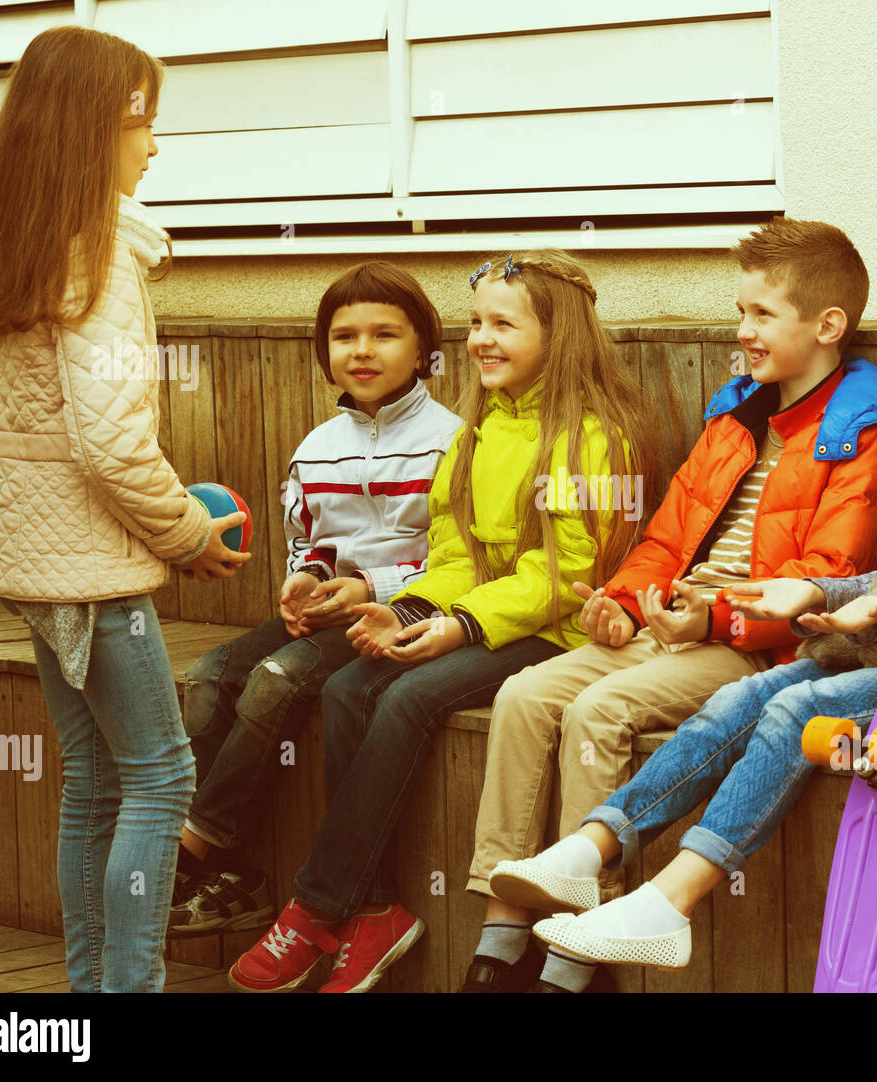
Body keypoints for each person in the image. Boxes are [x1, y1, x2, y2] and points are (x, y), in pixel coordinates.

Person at [509, 271, 877, 972]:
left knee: (802, 707)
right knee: (736, 698)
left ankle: (670, 902)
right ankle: (595, 845)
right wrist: (810, 592)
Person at [465, 219, 877, 993]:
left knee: (598, 711)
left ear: (828, 325)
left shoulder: (861, 432)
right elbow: (669, 534)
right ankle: (501, 924)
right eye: (740, 311)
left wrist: (711, 620)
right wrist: (621, 604)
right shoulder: (737, 412)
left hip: (757, 646)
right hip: (676, 621)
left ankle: (581, 950)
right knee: (522, 693)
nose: (742, 331)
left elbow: (827, 578)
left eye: (761, 315)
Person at [227, 250, 657, 992]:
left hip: (552, 631)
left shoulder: (592, 435)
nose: (481, 340)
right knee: (348, 686)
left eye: (502, 325)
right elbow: (456, 553)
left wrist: (457, 626)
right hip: (478, 615)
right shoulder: (477, 432)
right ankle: (373, 908)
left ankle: (321, 904)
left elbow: (561, 577)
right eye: (474, 323)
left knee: (408, 696)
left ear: (559, 335)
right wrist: (406, 609)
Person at [0, 26, 249, 992]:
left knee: (93, 785)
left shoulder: (30, 247)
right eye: (140, 124)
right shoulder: (101, 257)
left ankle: (90, 998)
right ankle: (129, 989)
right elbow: (113, 444)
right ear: (91, 130)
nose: (152, 147)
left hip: (40, 566)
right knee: (162, 779)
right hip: (91, 571)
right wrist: (190, 534)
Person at [167, 262, 463, 935]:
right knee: (213, 672)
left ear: (423, 350)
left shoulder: (452, 441)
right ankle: (236, 872)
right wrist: (302, 584)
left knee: (278, 677)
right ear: (324, 351)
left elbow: (460, 556)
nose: (361, 350)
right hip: (334, 611)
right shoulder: (316, 449)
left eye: (384, 334)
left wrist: (372, 588)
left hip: (410, 614)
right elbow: (310, 543)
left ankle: (194, 844)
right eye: (343, 336)